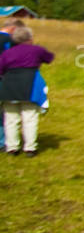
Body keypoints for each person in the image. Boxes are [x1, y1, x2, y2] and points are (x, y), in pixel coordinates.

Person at [0, 25, 53, 156]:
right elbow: (49, 58)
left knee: (11, 118)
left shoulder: (7, 52)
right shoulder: (36, 50)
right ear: (29, 38)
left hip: (9, 86)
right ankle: (30, 147)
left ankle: (12, 147)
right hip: (30, 85)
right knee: (29, 118)